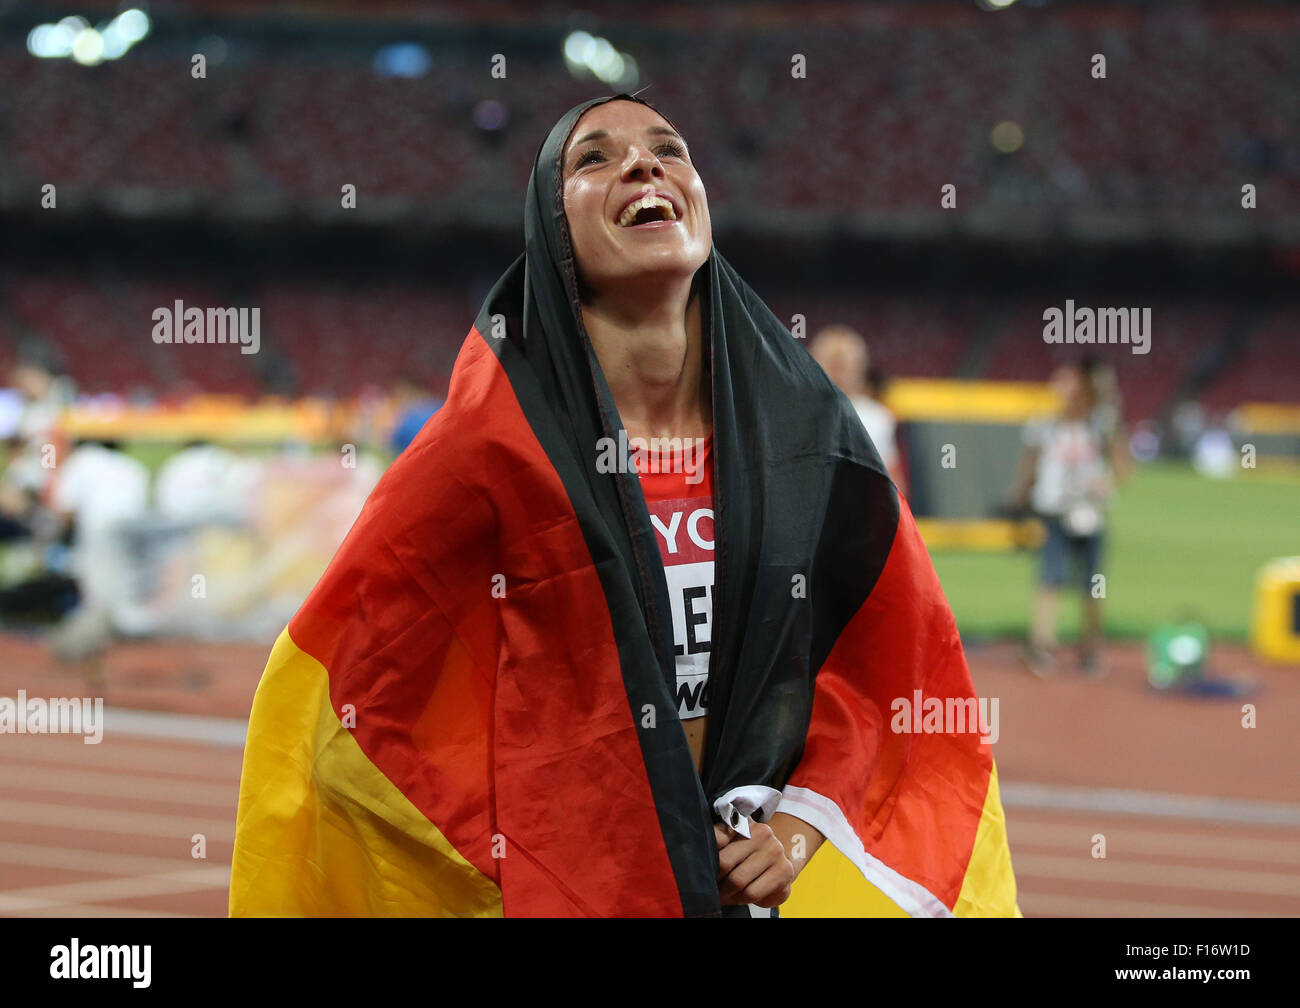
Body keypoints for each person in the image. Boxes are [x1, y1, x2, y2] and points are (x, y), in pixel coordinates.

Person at [231, 94, 1018, 918]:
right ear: (551, 222)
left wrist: (803, 820)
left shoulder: (810, 440)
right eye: (594, 158)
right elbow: (362, 686)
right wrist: (522, 847)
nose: (643, 164)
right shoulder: (483, 451)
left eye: (668, 149)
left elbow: (892, 658)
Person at [1012, 359, 1126, 676]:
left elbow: (1123, 467)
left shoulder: (1101, 425)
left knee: (1094, 584)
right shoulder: (1045, 425)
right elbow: (1030, 464)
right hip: (1054, 512)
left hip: (1091, 513)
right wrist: (1021, 499)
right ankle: (1042, 646)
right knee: (1050, 577)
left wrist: (1107, 481)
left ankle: (1090, 647)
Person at [808, 325, 905, 491]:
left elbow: (895, 485)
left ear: (859, 368)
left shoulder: (877, 418)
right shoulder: (797, 412)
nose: (837, 374)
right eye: (832, 365)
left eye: (843, 366)